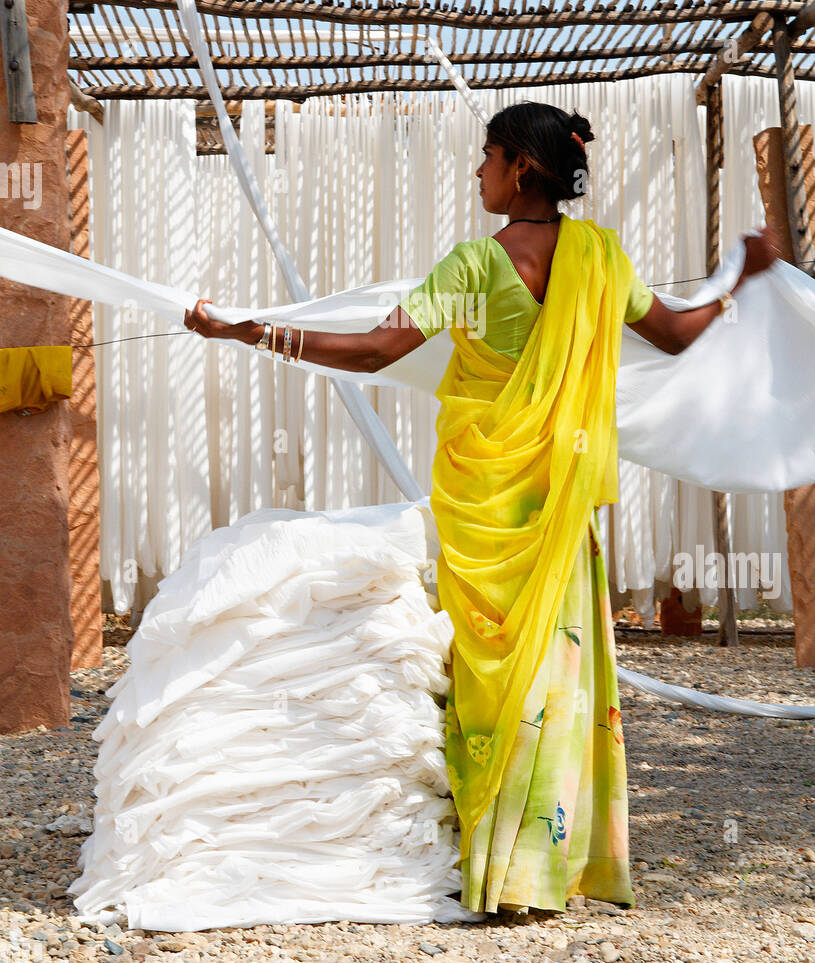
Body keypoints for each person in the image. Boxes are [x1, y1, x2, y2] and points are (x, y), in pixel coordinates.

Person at [184, 100, 778, 915]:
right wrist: (741, 279)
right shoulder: (599, 259)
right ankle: (543, 867)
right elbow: (675, 334)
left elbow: (373, 349)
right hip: (558, 500)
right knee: (554, 670)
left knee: (490, 673)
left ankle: (496, 865)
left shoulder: (472, 268)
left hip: (486, 504)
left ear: (521, 168)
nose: (477, 171)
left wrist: (249, 333)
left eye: (486, 156)